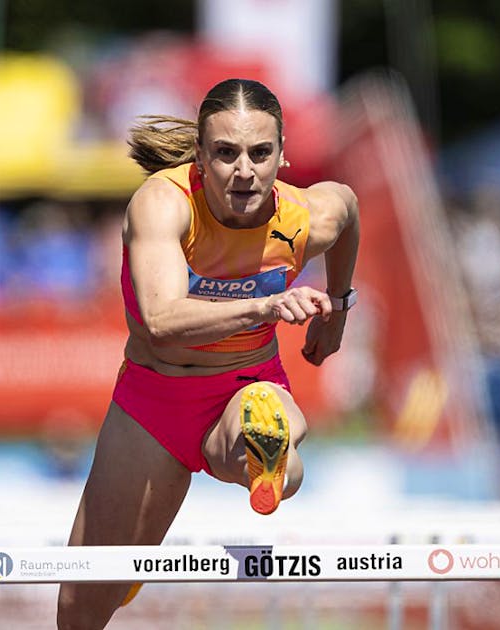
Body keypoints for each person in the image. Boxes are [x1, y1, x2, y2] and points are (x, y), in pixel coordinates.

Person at [56, 78, 359, 629]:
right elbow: (161, 320)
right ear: (200, 157)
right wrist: (264, 308)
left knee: (273, 452)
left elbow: (348, 208)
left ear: (283, 157)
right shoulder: (163, 205)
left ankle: (266, 444)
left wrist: (337, 308)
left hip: (243, 383)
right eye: (226, 153)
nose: (244, 171)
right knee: (78, 612)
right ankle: (130, 565)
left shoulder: (304, 217)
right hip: (151, 403)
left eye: (260, 153)